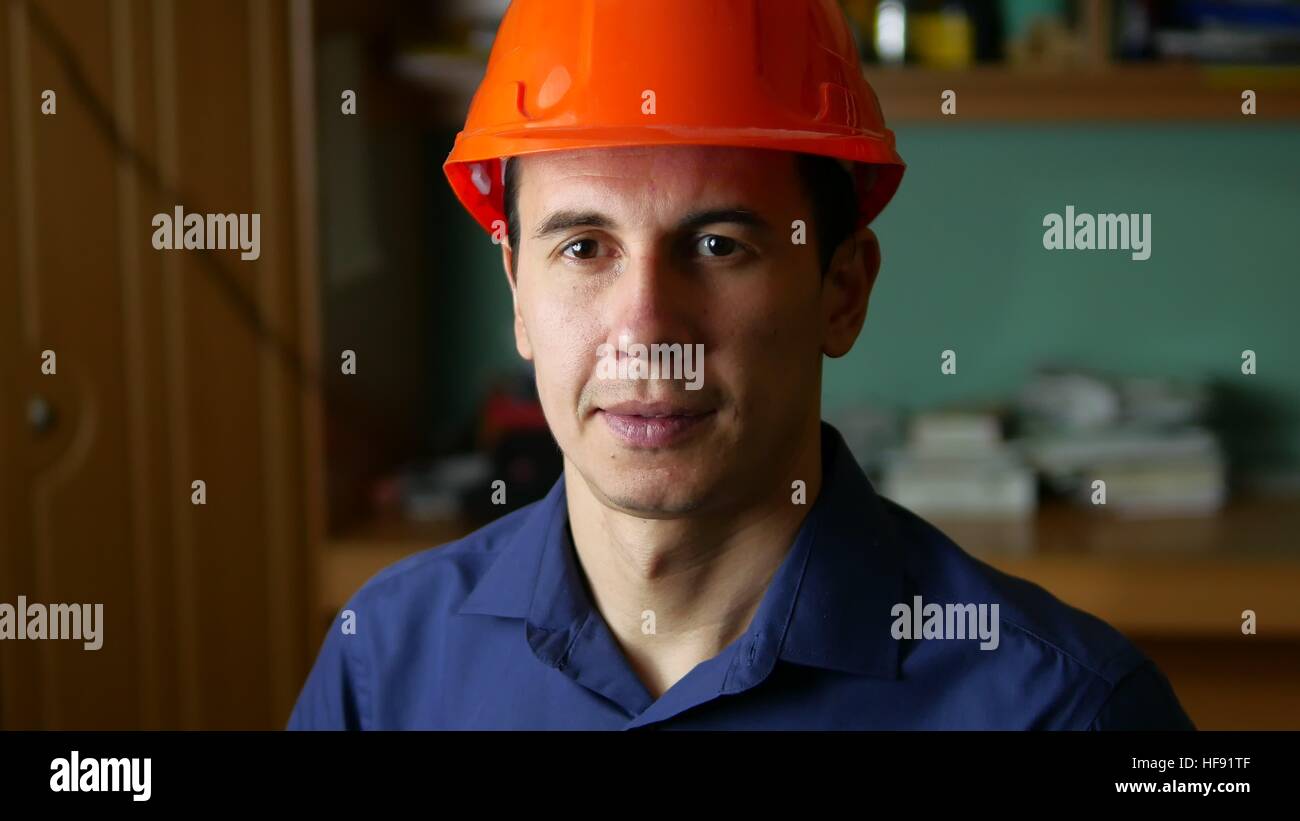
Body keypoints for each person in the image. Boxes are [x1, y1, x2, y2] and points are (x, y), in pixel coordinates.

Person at [289, 0, 1193, 730]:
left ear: (842, 290)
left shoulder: (1065, 709)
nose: (644, 328)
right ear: (518, 292)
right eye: (583, 248)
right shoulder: (388, 665)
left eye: (717, 245)